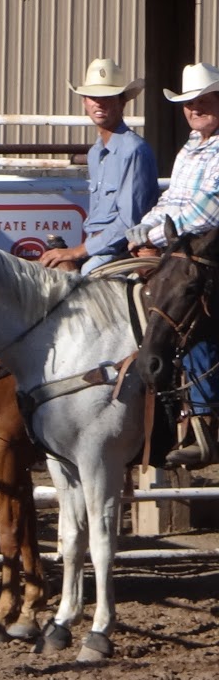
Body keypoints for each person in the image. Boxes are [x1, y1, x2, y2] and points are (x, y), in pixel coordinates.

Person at [128, 61, 219, 466]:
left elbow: (209, 209)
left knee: (192, 311)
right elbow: (171, 202)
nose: (194, 109)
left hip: (207, 249)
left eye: (203, 101)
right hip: (182, 247)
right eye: (189, 103)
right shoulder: (189, 149)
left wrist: (153, 236)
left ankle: (203, 421)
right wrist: (141, 229)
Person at [37, 56, 159, 274]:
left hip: (119, 249)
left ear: (122, 102)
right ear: (85, 102)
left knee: (78, 289)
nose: (99, 103)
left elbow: (127, 223)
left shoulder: (133, 150)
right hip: (96, 248)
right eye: (93, 97)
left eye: (108, 97)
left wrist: (76, 252)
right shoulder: (96, 153)